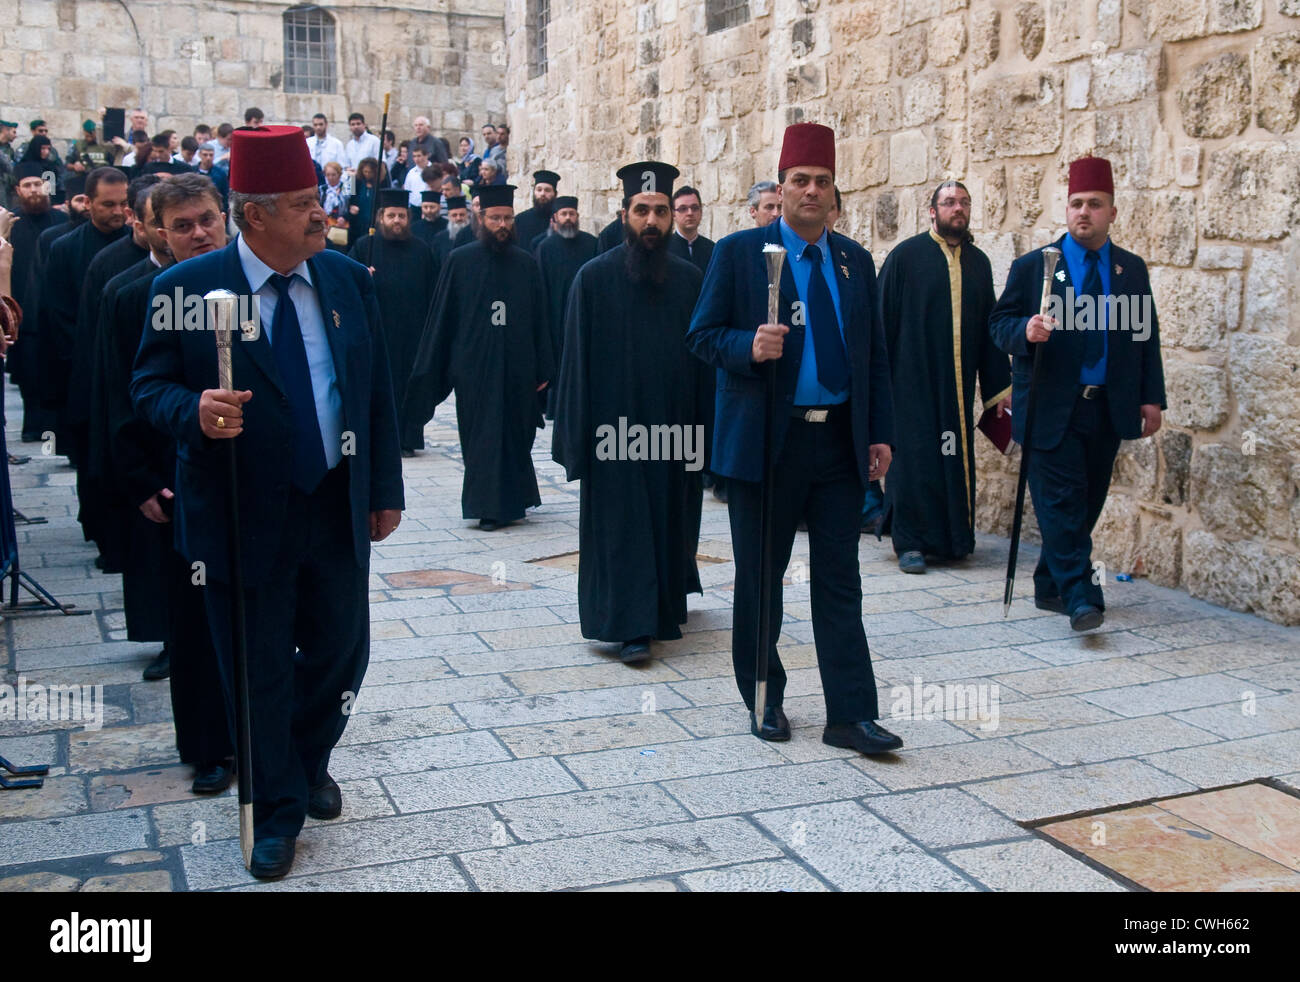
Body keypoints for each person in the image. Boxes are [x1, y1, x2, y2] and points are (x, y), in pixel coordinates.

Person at [131, 125, 405, 879]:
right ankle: (277, 810)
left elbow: (372, 391)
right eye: (303, 205)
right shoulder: (183, 291)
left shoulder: (348, 280)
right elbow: (147, 389)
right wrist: (195, 411)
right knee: (258, 667)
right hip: (239, 512)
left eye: (317, 200)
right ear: (254, 215)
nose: (321, 216)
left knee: (343, 653)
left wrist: (383, 490)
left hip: (332, 500)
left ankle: (305, 756)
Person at [687, 123, 901, 755]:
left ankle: (850, 715)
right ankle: (764, 699)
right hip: (766, 447)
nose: (811, 191)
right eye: (800, 181)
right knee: (761, 579)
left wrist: (880, 433)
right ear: (780, 190)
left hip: (837, 444)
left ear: (836, 194)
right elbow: (701, 337)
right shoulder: (738, 253)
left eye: (822, 182)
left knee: (840, 581)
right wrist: (748, 346)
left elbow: (875, 357)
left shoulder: (855, 262)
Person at [990, 156, 1166, 632]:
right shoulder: (1036, 267)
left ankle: (1050, 584)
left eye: (1094, 204)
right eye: (1075, 204)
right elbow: (998, 325)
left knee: (1086, 503)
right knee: (1062, 503)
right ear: (1065, 210)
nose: (1083, 212)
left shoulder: (1130, 270)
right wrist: (1025, 330)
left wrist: (1152, 397)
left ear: (1112, 211)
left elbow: (1144, 335)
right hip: (1050, 406)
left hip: (1107, 406)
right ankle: (1080, 594)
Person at [552, 162, 709, 663]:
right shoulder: (593, 279)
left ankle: (664, 607)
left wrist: (703, 439)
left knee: (668, 521)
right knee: (623, 527)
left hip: (672, 432)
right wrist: (576, 441)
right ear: (624, 214)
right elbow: (575, 364)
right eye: (642, 210)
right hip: (611, 436)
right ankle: (630, 625)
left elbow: (704, 363)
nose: (652, 221)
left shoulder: (689, 281)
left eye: (661, 211)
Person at [878, 181, 1011, 574]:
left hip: (957, 387)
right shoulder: (905, 258)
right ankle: (910, 543)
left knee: (952, 457)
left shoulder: (978, 262)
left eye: (964, 203)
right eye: (950, 202)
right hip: (910, 385)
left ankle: (954, 538)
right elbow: (882, 325)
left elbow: (990, 329)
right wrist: (879, 388)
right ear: (932, 211)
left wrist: (997, 389)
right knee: (915, 459)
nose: (958, 208)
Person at [406, 183, 553, 531]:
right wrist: (438, 366)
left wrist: (544, 365)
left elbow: (540, 318)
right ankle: (488, 508)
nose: (502, 225)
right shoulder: (460, 261)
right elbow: (442, 317)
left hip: (518, 369)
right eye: (495, 218)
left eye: (507, 218)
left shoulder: (526, 263)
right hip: (474, 371)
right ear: (480, 218)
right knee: (483, 438)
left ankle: (514, 502)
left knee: (516, 437)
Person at [35, 167, 130, 473]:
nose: (118, 212)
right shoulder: (64, 249)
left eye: (122, 204)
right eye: (108, 204)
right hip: (83, 369)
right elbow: (57, 314)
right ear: (88, 203)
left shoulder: (139, 248)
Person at [350, 188, 439, 455]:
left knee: (410, 388)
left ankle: (408, 439)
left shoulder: (422, 250)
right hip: (379, 332)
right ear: (380, 217)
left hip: (413, 334)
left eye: (401, 216)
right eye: (391, 216)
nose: (397, 221)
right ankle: (382, 439)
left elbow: (434, 293)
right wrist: (362, 276)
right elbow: (347, 288)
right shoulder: (365, 248)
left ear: (408, 218)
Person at [5, 162, 66, 440]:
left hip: (52, 312)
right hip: (22, 312)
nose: (33, 190)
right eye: (27, 185)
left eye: (38, 184)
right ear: (18, 190)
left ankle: (54, 428)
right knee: (27, 373)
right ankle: (32, 428)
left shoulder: (62, 223)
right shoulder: (12, 225)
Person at [532, 195, 596, 418]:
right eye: (564, 214)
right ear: (555, 218)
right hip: (555, 317)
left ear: (578, 216)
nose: (568, 218)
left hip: (585, 316)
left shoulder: (591, 243)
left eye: (572, 214)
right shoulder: (545, 248)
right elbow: (539, 287)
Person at [666, 185, 713, 274]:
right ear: (673, 214)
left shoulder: (712, 249)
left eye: (694, 208)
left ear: (701, 211)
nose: (690, 213)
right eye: (683, 209)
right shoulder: (664, 249)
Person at [513, 170, 560, 249]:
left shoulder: (559, 221)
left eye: (547, 190)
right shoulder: (520, 220)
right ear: (534, 192)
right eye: (539, 190)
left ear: (555, 194)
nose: (542, 194)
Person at [427, 194, 469, 267]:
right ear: (449, 217)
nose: (458, 218)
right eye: (454, 215)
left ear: (467, 215)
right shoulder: (439, 238)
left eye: (462, 215)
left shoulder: (475, 235)